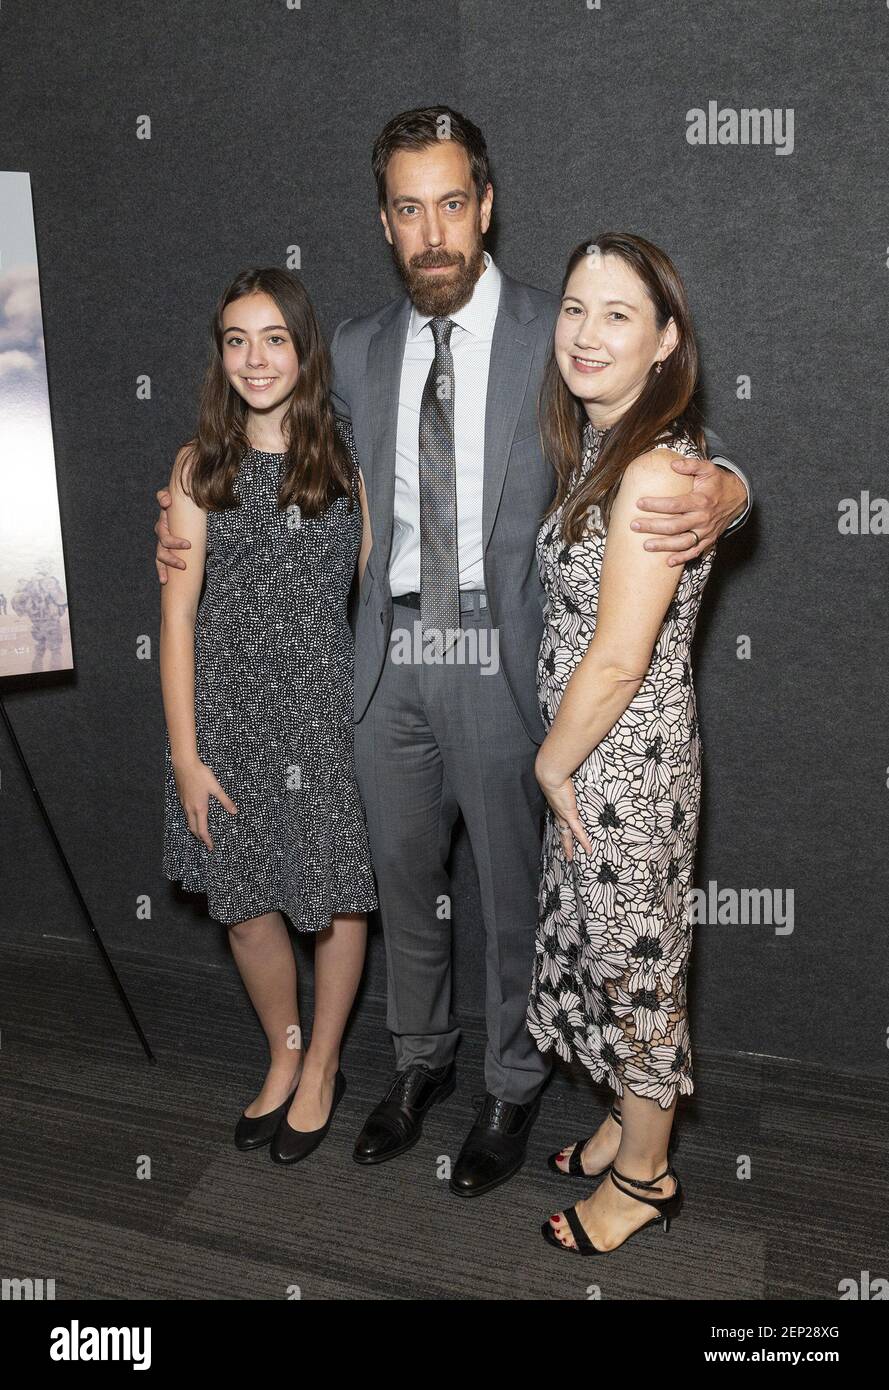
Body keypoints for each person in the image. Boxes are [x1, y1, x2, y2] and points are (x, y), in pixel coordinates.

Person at [155, 107, 753, 1199]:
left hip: (504, 652)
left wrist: (726, 484)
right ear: (385, 221)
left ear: (485, 207)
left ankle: (512, 1081)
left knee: (513, 895)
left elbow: (647, 415)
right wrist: (188, 485)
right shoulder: (361, 344)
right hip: (382, 658)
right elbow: (273, 427)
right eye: (406, 207)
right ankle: (418, 1060)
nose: (431, 230)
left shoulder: (556, 331)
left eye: (450, 203)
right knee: (399, 885)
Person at [159, 266, 377, 1165]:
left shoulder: (345, 456)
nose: (255, 358)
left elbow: (374, 587)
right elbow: (174, 616)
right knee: (247, 911)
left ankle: (323, 1065)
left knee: (328, 902)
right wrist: (185, 756)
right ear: (220, 354)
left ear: (303, 348)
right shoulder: (196, 465)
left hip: (321, 721)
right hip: (225, 724)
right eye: (236, 340)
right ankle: (282, 1057)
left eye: (274, 338)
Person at [530, 233, 721, 1254]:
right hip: (598, 766)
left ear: (665, 341)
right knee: (603, 957)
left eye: (616, 315)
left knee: (638, 973)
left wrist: (548, 763)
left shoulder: (651, 469)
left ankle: (645, 1176)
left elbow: (615, 657)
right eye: (573, 308)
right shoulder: (609, 446)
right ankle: (621, 1118)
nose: (586, 333)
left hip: (618, 772)